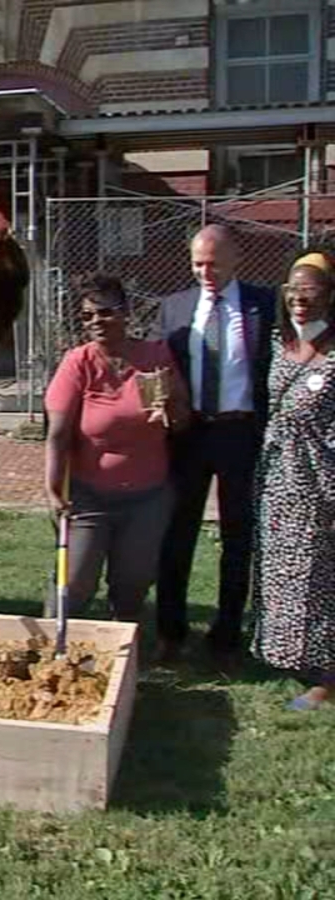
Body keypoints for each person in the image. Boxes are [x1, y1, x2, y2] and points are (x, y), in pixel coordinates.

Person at [157, 224, 275, 668]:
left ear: (235, 259)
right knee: (177, 533)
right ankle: (171, 631)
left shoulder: (266, 305)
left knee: (237, 535)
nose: (205, 271)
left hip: (240, 433)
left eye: (214, 263)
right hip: (189, 435)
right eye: (197, 263)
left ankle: (227, 633)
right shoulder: (174, 309)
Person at [44, 274, 189, 623]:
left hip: (148, 495)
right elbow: (58, 434)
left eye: (105, 313)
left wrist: (170, 406)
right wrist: (52, 489)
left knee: (133, 581)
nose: (96, 322)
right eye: (87, 316)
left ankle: (122, 650)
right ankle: (50, 644)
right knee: (75, 582)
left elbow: (181, 422)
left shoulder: (155, 357)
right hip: (89, 496)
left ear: (125, 313)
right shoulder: (78, 363)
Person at [251, 252, 335, 710]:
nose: (300, 299)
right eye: (292, 290)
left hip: (320, 479)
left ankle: (327, 676)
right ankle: (291, 654)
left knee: (318, 571)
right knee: (283, 567)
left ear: (330, 296)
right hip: (276, 476)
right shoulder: (280, 342)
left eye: (311, 290)